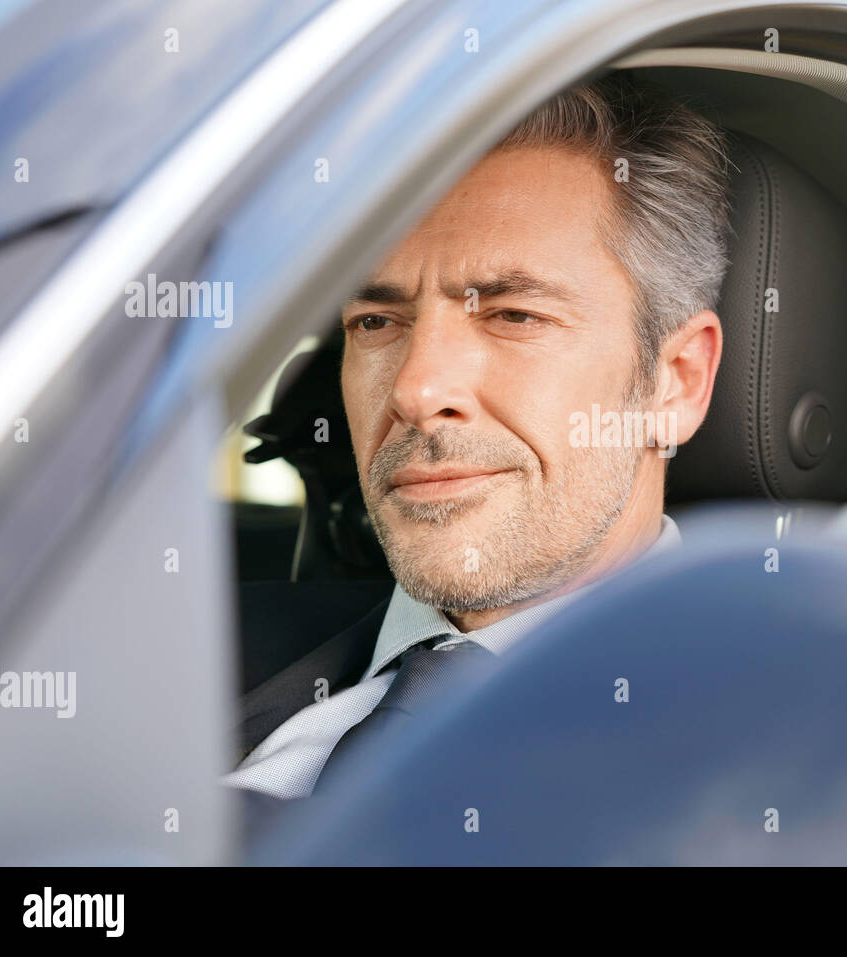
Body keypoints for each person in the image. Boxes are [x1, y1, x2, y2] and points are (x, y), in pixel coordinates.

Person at [225, 73, 732, 800]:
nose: (416, 389)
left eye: (513, 315)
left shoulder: (796, 741)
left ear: (675, 380)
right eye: (376, 322)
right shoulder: (179, 649)